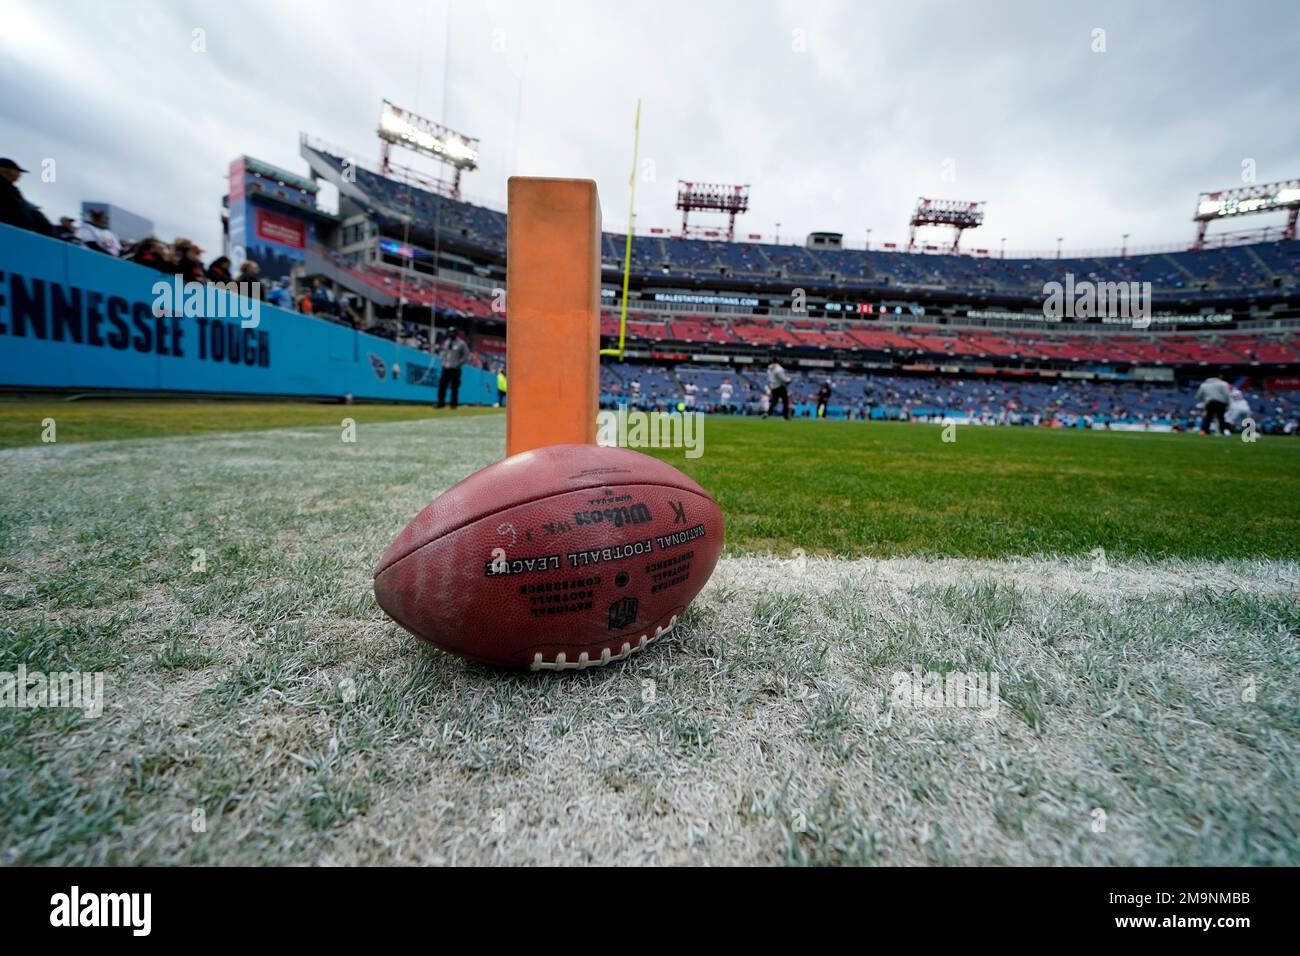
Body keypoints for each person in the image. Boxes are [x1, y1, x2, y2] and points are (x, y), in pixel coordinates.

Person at [0, 157, 52, 235]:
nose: (20, 174)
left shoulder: (12, 191)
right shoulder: (5, 190)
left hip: (18, 236)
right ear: (4, 170)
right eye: (17, 171)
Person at [437, 329, 471, 409]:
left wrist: (458, 364)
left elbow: (466, 356)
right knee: (442, 386)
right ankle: (441, 403)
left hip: (455, 369)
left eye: (453, 332)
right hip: (446, 368)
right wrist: (442, 361)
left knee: (454, 387)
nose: (451, 334)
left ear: (456, 333)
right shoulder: (446, 342)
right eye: (450, 332)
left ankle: (453, 404)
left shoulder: (462, 343)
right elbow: (443, 352)